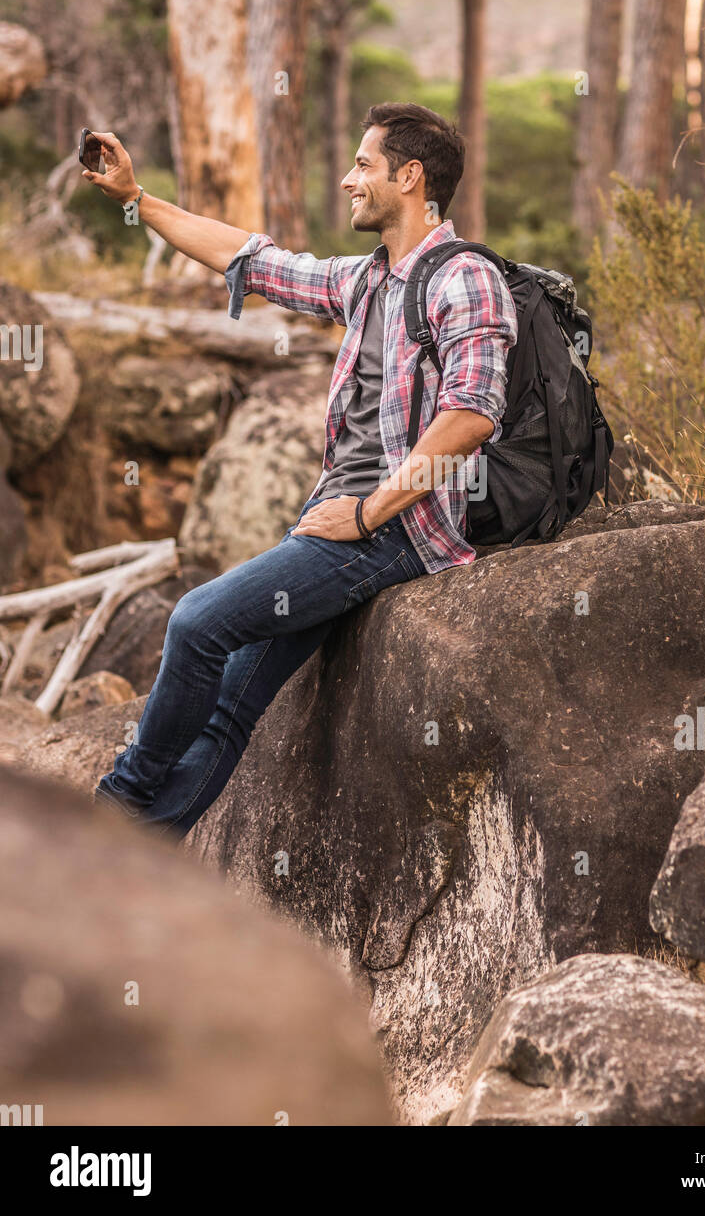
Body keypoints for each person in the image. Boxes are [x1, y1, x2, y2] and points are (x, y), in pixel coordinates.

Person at [82, 102, 517, 836]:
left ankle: (111, 809)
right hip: (341, 520)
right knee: (227, 707)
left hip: (392, 531)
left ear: (410, 178)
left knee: (195, 622)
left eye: (363, 165)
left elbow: (473, 413)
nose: (349, 180)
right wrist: (136, 199)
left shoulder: (465, 278)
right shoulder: (370, 281)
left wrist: (369, 512)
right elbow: (253, 259)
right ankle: (132, 865)